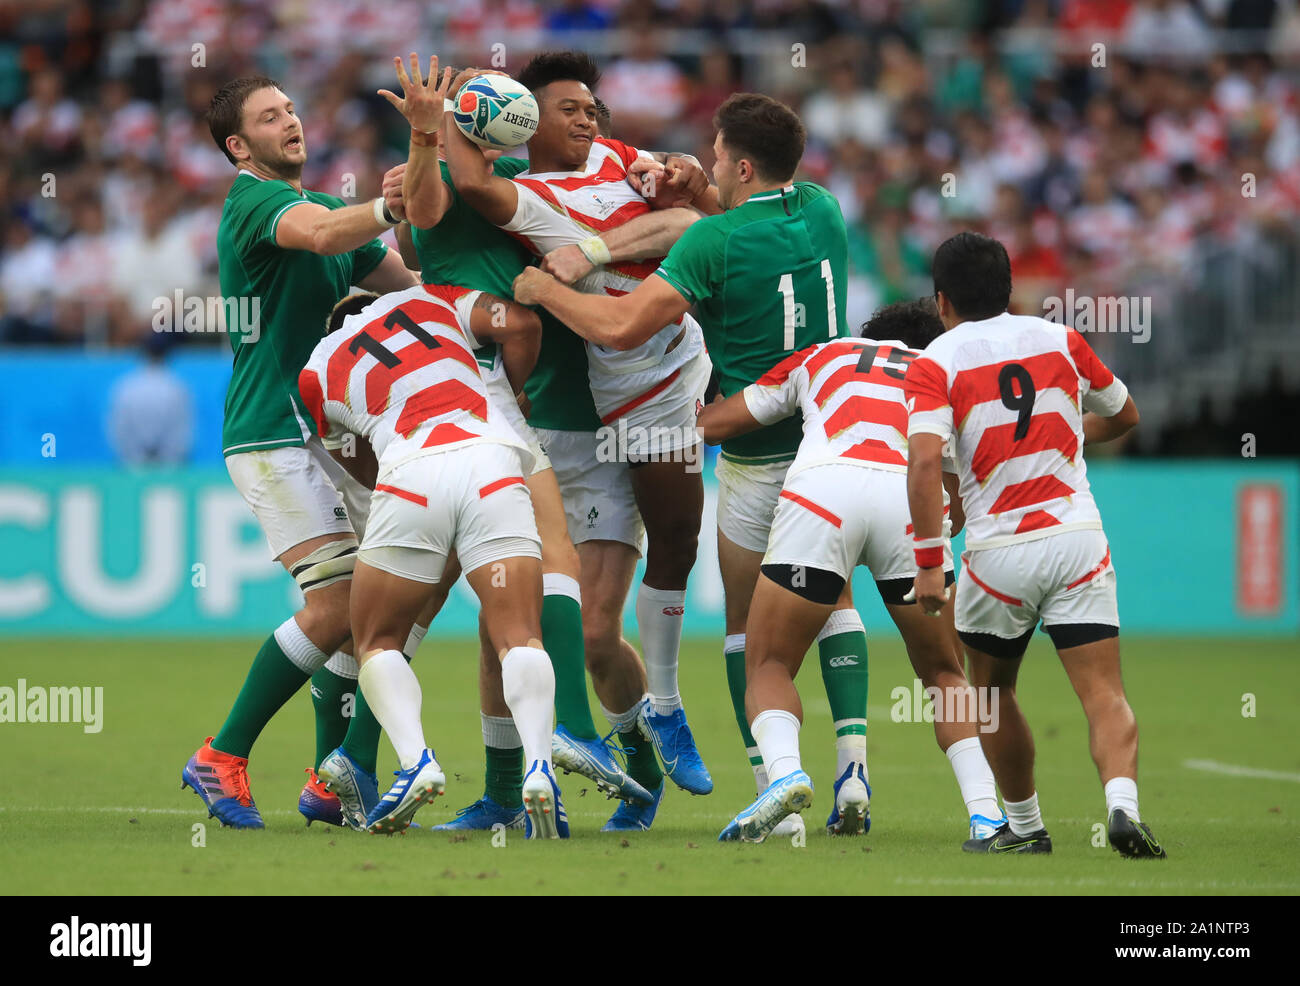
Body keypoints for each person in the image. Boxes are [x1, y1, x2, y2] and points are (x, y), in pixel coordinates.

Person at [513, 92, 870, 840]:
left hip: (754, 450)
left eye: (712, 157)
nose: (702, 165)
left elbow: (617, 325)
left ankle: (766, 785)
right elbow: (730, 212)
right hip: (839, 444)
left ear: (740, 164)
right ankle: (854, 769)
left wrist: (547, 286)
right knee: (833, 600)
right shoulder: (824, 209)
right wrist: (696, 188)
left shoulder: (714, 246)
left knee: (749, 630)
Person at [387, 53, 704, 828]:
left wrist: (679, 176)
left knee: (597, 632)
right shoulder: (493, 191)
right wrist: (443, 122)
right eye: (569, 107)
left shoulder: (631, 168)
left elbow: (695, 217)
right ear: (520, 120)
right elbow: (430, 209)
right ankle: (505, 793)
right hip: (536, 429)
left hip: (624, 415)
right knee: (505, 627)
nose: (587, 117)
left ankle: (640, 756)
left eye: (593, 106)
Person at [181, 75, 418, 830]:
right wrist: (386, 206)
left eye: (290, 108)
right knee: (345, 601)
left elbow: (411, 287)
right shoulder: (256, 203)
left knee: (382, 600)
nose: (290, 120)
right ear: (238, 147)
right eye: (268, 116)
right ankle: (222, 753)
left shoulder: (321, 214)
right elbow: (321, 235)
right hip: (271, 431)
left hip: (331, 434)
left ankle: (332, 781)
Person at [697, 298, 1004, 843]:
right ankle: (987, 815)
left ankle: (786, 773)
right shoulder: (943, 374)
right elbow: (952, 503)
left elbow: (718, 425)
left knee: (766, 661)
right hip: (908, 500)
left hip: (823, 495)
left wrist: (689, 407)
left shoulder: (824, 353)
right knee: (945, 676)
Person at [903, 231, 1165, 858]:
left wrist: (930, 565)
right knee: (1104, 692)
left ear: (941, 302)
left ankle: (1024, 826)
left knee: (992, 695)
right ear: (1009, 288)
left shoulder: (935, 362)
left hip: (998, 555)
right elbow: (1126, 414)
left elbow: (923, 463)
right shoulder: (1060, 339)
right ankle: (1122, 808)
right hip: (1077, 538)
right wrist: (1067, 435)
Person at [300, 284, 568, 837]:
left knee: (376, 640)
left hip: (411, 471)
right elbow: (516, 325)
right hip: (493, 459)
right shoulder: (429, 299)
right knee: (519, 636)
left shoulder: (315, 371)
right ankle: (540, 767)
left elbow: (356, 461)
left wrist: (422, 518)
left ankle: (416, 761)